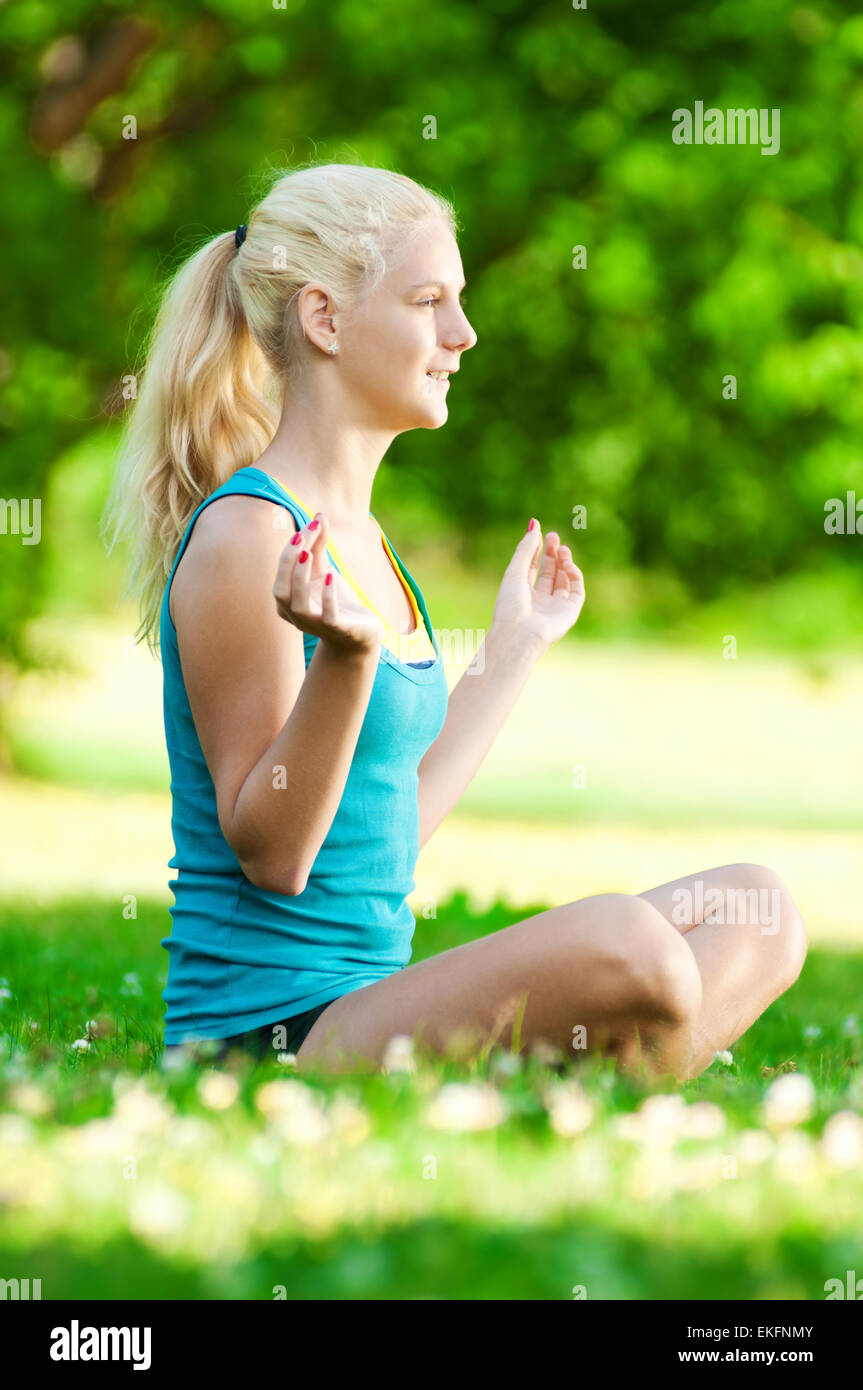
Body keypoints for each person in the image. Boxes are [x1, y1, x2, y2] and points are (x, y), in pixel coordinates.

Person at [103, 161, 807, 1079]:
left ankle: (609, 1078)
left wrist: (511, 648)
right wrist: (347, 662)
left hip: (370, 1004)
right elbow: (274, 854)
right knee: (629, 945)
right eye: (428, 300)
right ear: (325, 320)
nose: (462, 335)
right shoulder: (249, 532)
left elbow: (385, 835)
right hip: (271, 1039)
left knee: (759, 909)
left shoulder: (371, 544)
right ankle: (614, 1080)